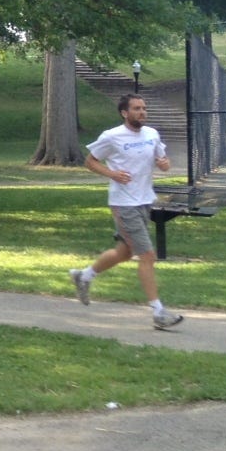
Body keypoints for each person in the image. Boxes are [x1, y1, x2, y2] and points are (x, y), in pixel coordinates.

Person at [68, 94, 184, 329]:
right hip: (124, 203)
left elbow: (164, 161)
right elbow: (90, 162)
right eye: (137, 108)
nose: (142, 112)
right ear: (125, 113)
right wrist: (112, 174)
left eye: (144, 108)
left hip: (144, 201)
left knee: (123, 253)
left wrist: (164, 164)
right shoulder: (112, 136)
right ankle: (158, 312)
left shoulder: (151, 134)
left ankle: (84, 275)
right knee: (148, 256)